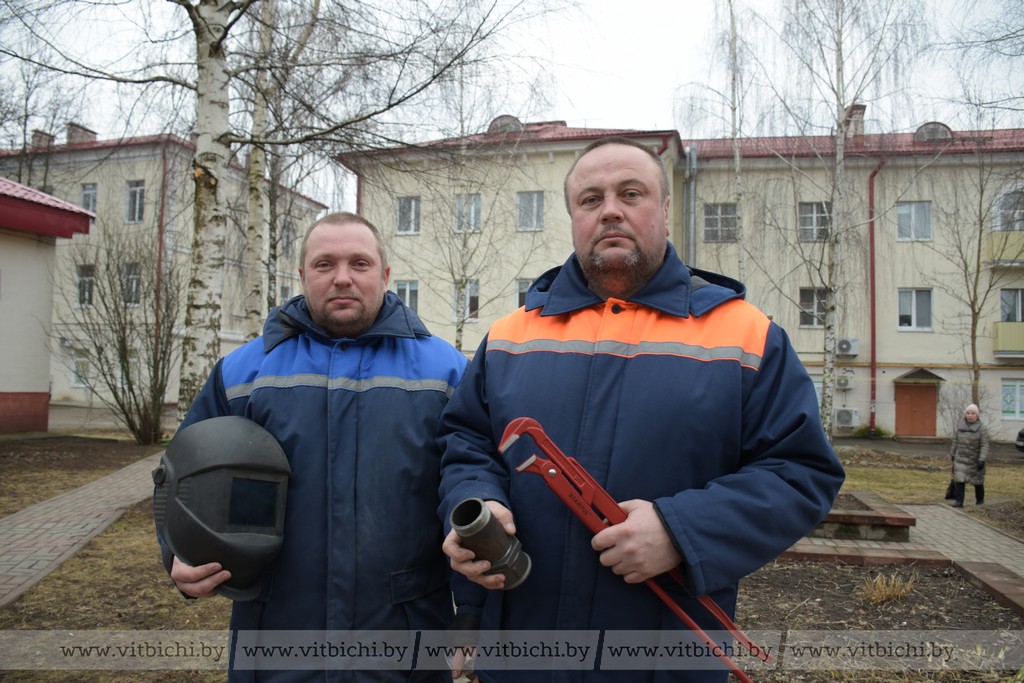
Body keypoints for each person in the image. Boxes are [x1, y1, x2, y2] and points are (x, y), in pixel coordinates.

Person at [437, 137, 845, 683]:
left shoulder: (747, 336)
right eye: (590, 199)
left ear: (666, 211)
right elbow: (466, 443)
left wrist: (681, 532)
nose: (610, 209)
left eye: (631, 193)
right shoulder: (511, 336)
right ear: (573, 217)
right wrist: (476, 504)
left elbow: (801, 472)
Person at [158, 212, 468, 682]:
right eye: (325, 265)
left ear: (385, 276)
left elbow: (472, 485)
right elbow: (177, 476)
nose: (342, 278)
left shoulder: (447, 372)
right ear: (301, 277)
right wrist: (176, 552)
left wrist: (476, 614)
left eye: (359, 264)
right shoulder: (242, 372)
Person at [950, 403, 989, 507]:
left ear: (977, 415)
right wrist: (952, 453)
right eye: (968, 413)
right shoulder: (960, 427)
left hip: (975, 460)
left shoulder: (982, 428)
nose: (970, 415)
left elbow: (984, 445)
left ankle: (980, 500)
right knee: (959, 479)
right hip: (960, 458)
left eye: (972, 413)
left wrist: (982, 459)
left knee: (977, 481)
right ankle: (959, 501)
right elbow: (955, 441)